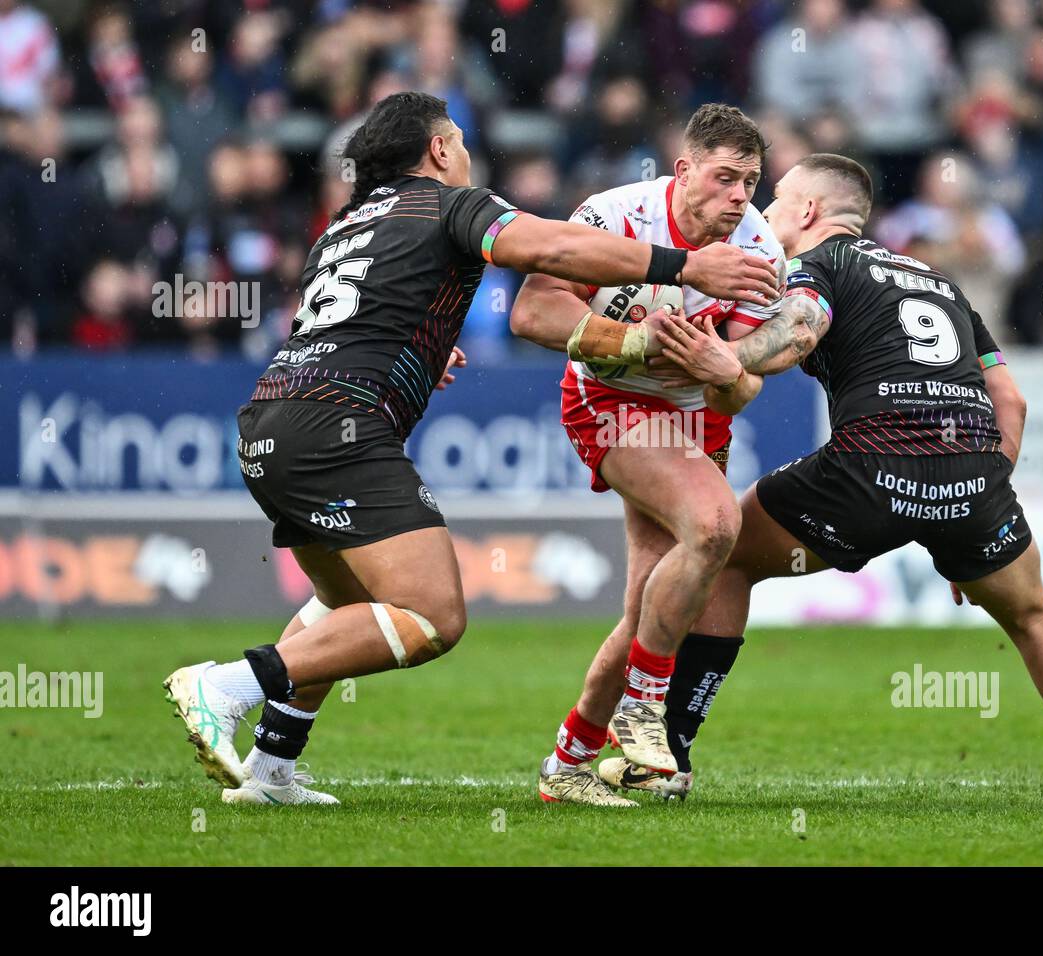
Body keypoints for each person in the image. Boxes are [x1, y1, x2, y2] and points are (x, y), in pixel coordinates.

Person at [162, 91, 778, 806]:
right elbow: (550, 250)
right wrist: (683, 268)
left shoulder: (346, 224)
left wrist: (427, 351)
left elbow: (351, 317)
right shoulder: (452, 204)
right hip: (339, 430)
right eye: (457, 138)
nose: (466, 150)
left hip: (271, 423)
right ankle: (224, 685)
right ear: (438, 151)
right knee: (431, 617)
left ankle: (272, 770)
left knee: (344, 604)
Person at [600, 153, 1043, 808]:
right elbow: (1011, 401)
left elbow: (799, 330)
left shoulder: (819, 265)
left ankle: (673, 755)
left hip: (871, 470)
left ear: (809, 213)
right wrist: (976, 505)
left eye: (775, 204)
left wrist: (726, 358)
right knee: (1030, 613)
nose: (762, 216)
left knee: (724, 555)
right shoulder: (937, 280)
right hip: (974, 478)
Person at [509, 103, 785, 806]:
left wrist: (724, 370)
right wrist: (634, 342)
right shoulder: (612, 216)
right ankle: (643, 708)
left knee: (645, 612)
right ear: (683, 169)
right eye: (724, 178)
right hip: (612, 400)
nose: (738, 197)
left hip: (697, 419)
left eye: (750, 182)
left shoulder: (762, 252)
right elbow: (533, 312)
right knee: (717, 526)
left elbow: (740, 394)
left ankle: (568, 763)